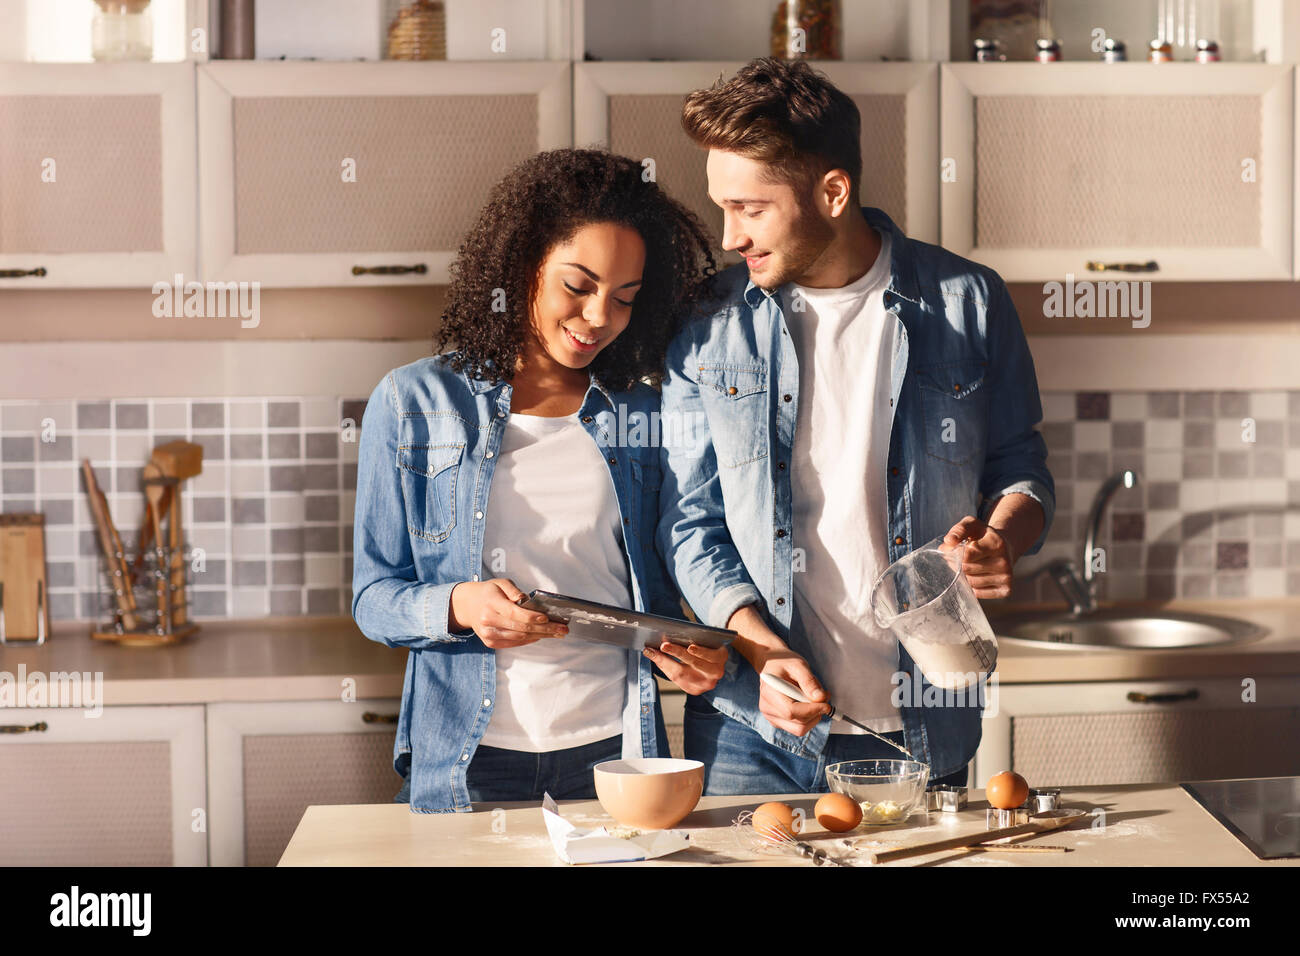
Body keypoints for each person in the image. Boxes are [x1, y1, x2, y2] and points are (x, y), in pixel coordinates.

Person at [657, 58, 1055, 795]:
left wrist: (1006, 536)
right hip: (758, 727)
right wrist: (754, 645)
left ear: (832, 191)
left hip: (928, 720)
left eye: (750, 208)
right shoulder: (707, 324)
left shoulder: (969, 302)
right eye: (722, 208)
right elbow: (690, 522)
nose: (728, 235)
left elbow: (1019, 464)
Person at [352, 148, 725, 813]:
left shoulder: (644, 413)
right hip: (469, 757)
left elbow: (665, 583)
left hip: (616, 755)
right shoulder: (414, 402)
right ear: (522, 266)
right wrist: (460, 605)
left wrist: (691, 649)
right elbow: (374, 597)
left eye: (624, 298)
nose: (597, 317)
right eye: (577, 287)